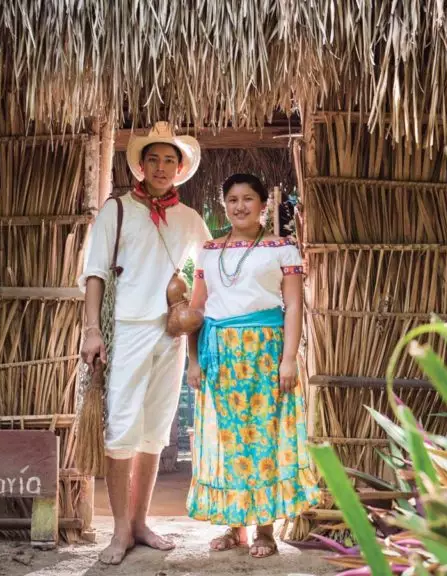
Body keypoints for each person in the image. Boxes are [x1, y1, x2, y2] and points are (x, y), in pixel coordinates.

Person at [78, 122, 212, 565]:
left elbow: (213, 264)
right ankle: (117, 532)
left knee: (155, 431)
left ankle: (139, 523)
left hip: (171, 333)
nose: (160, 167)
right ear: (140, 164)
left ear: (180, 168)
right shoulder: (116, 210)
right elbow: (95, 273)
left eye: (169, 160)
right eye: (153, 159)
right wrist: (92, 330)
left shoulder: (190, 218)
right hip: (128, 329)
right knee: (121, 431)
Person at [184, 173, 320, 558]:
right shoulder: (209, 250)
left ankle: (265, 530)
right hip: (221, 355)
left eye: (248, 198)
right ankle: (234, 526)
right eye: (232, 199)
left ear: (264, 204)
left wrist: (289, 359)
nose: (239, 206)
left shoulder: (282, 248)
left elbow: (293, 305)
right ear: (224, 204)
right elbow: (196, 310)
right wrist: (193, 362)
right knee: (229, 441)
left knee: (264, 436)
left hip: (265, 352)